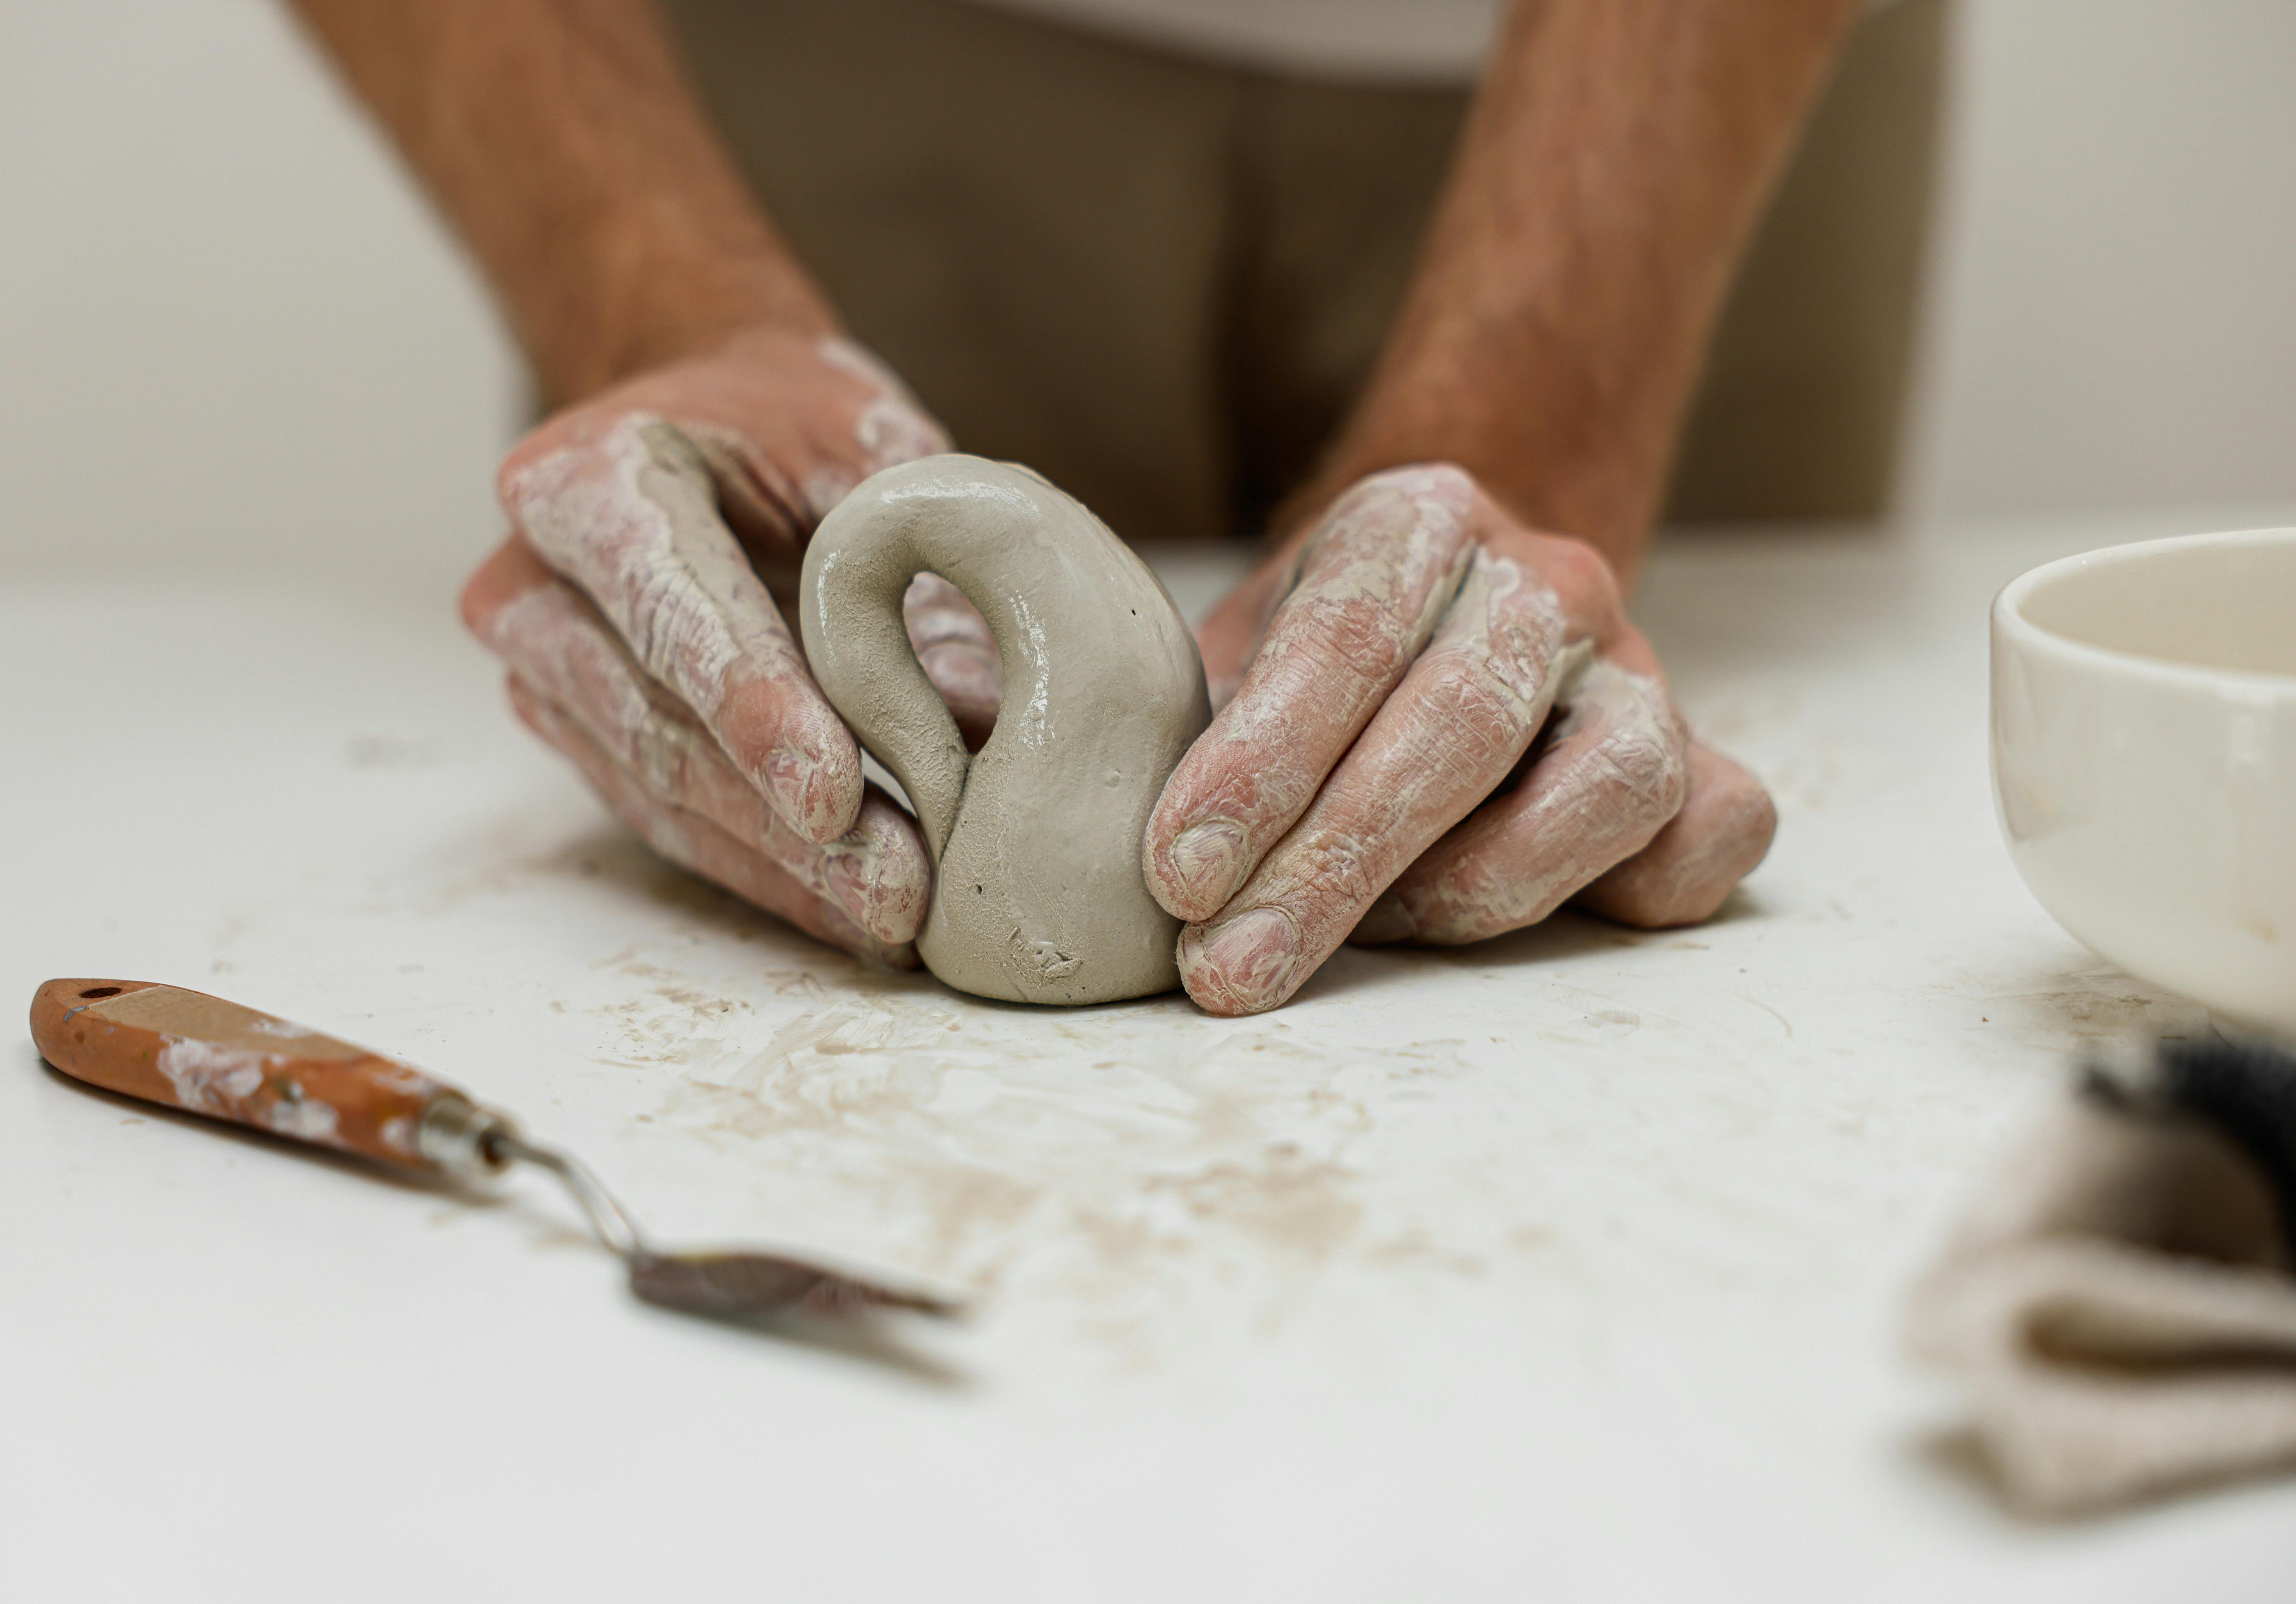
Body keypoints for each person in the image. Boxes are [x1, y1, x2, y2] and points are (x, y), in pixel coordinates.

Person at [287, 0, 1926, 1015]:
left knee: (1503, 740)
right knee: (764, 653)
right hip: (823, 55)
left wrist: (1539, 436)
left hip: (1649, 62)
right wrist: (664, 303)